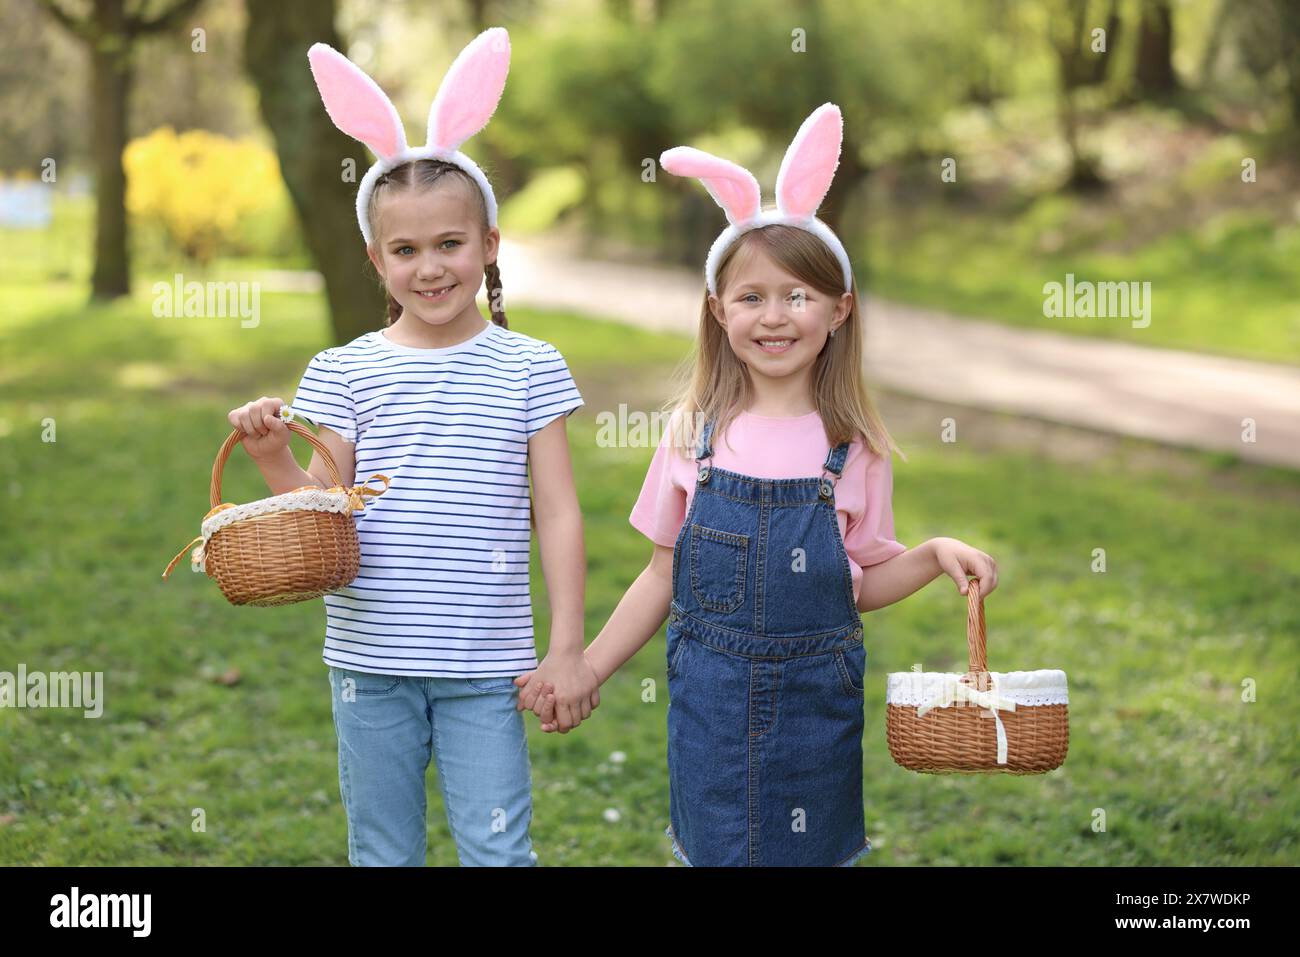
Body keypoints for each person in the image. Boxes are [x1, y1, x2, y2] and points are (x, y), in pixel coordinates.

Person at [517, 104, 998, 866]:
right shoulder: (692, 435)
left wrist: (934, 553)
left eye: (798, 296)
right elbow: (660, 573)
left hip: (817, 711)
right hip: (710, 708)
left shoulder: (854, 446)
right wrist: (586, 665)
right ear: (718, 309)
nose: (775, 316)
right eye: (752, 297)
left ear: (839, 310)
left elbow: (857, 582)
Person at [226, 27, 598, 866]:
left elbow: (560, 511)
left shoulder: (529, 366)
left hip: (486, 663)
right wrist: (271, 458)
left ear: (489, 245)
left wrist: (567, 644)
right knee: (384, 850)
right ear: (375, 258)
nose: (430, 268)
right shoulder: (343, 370)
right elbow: (323, 513)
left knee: (499, 851)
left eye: (449, 244)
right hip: (369, 663)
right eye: (406, 250)